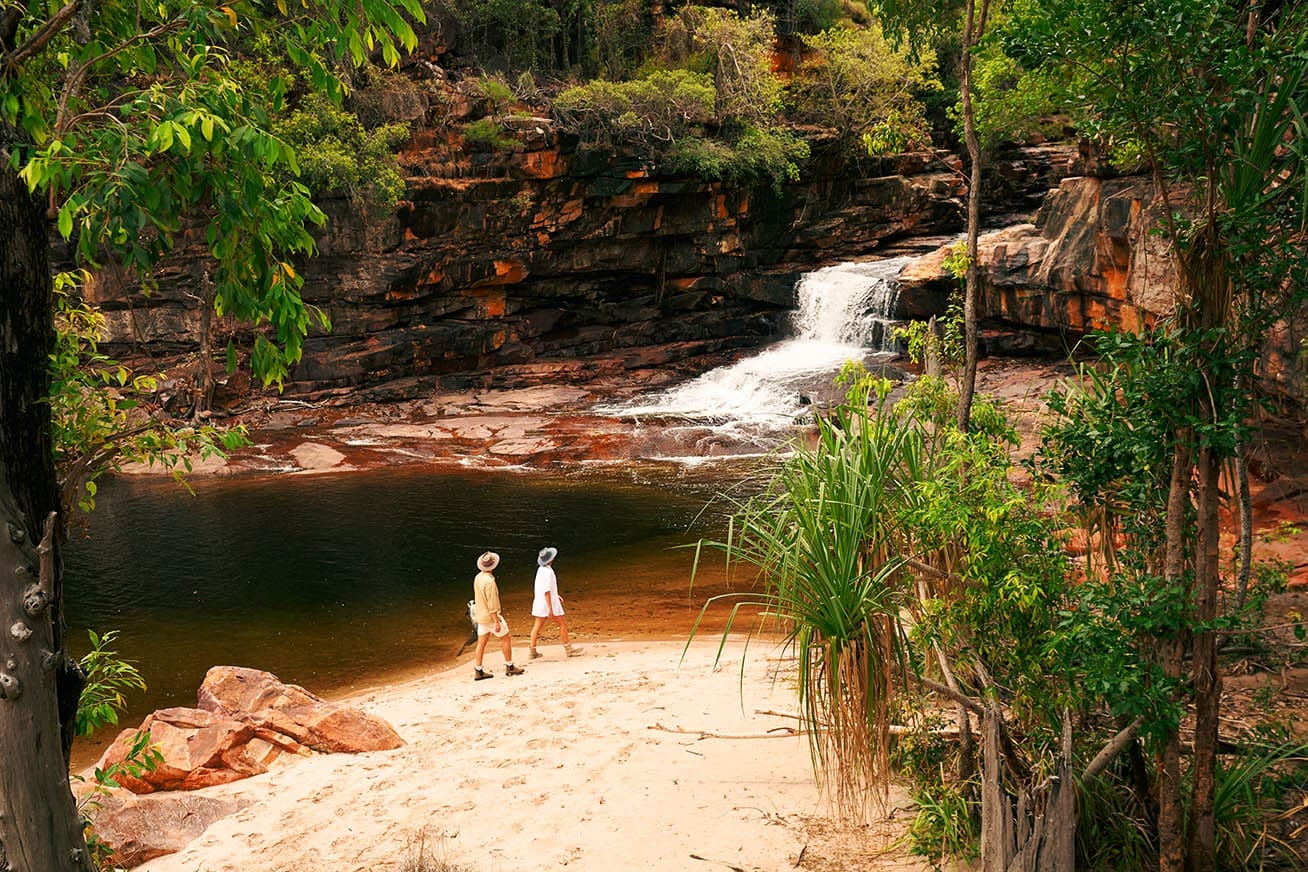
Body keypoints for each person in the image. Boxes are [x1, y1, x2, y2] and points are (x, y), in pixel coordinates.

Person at [472, 551, 524, 681]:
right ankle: (510, 666)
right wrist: (496, 621)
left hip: (481, 615)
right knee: (506, 638)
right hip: (490, 617)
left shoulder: (478, 577)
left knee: (481, 643)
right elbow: (493, 604)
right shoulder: (490, 582)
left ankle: (478, 670)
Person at [529, 546, 583, 659]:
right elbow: (547, 591)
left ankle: (532, 651)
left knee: (537, 626)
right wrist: (550, 608)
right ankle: (568, 649)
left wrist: (556, 595)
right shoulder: (549, 572)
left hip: (539, 602)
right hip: (548, 603)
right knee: (562, 624)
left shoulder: (540, 570)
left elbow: (543, 587)